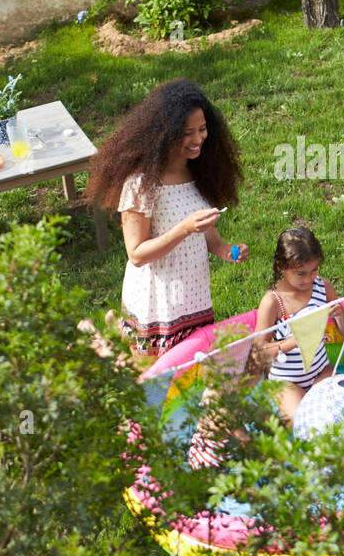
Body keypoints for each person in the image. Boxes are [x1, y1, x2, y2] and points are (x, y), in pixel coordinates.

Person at [87, 78, 249, 355]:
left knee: (190, 372)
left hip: (193, 296)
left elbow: (205, 231)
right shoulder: (141, 183)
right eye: (188, 133)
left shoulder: (199, 173)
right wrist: (183, 229)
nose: (198, 139)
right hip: (157, 303)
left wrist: (225, 249)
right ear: (165, 133)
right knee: (154, 382)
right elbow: (136, 253)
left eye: (202, 129)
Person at [253, 227, 344, 423]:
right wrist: (294, 342)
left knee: (339, 412)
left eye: (314, 270)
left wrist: (340, 317)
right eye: (300, 273)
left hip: (321, 370)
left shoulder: (323, 287)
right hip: (286, 380)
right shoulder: (274, 301)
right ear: (281, 266)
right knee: (301, 420)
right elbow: (257, 351)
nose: (309, 279)